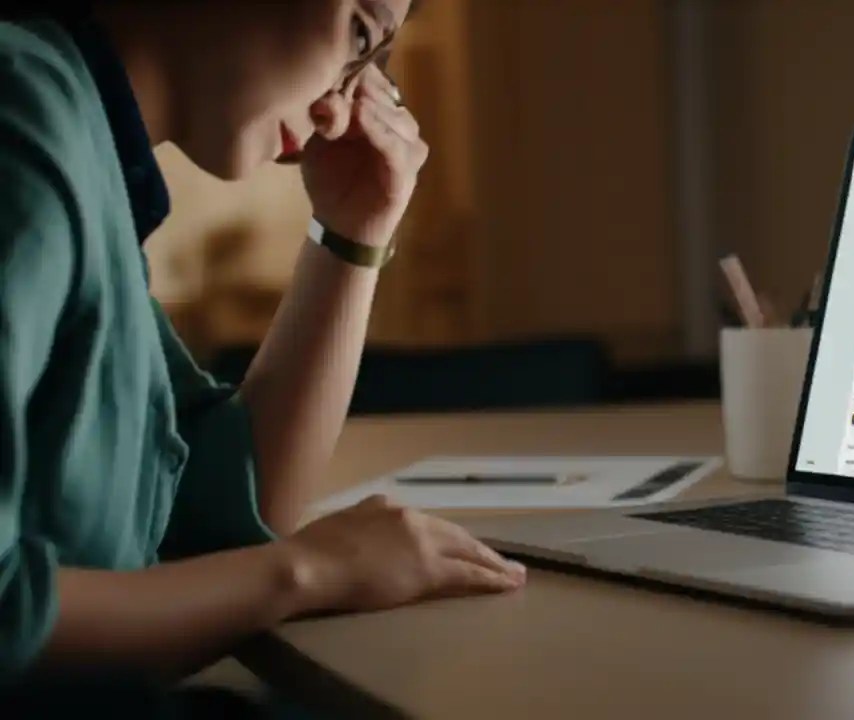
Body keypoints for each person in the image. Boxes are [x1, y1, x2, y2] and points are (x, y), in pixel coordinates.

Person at [0, 0, 527, 702]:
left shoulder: (86, 157)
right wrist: (312, 570)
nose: (339, 110)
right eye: (359, 34)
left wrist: (352, 231)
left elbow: (228, 531)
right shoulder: (24, 126)